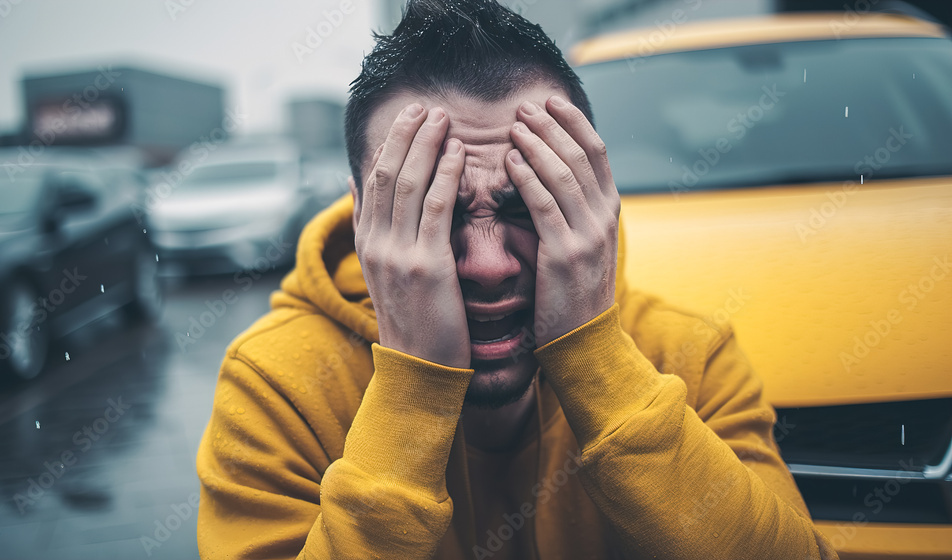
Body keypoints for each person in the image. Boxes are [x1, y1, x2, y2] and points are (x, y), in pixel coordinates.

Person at [196, 1, 838, 558]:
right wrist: (413, 388)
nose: (488, 264)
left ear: (591, 200)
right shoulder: (278, 384)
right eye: (431, 212)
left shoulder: (686, 355)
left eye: (527, 207)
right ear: (363, 217)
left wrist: (594, 357)